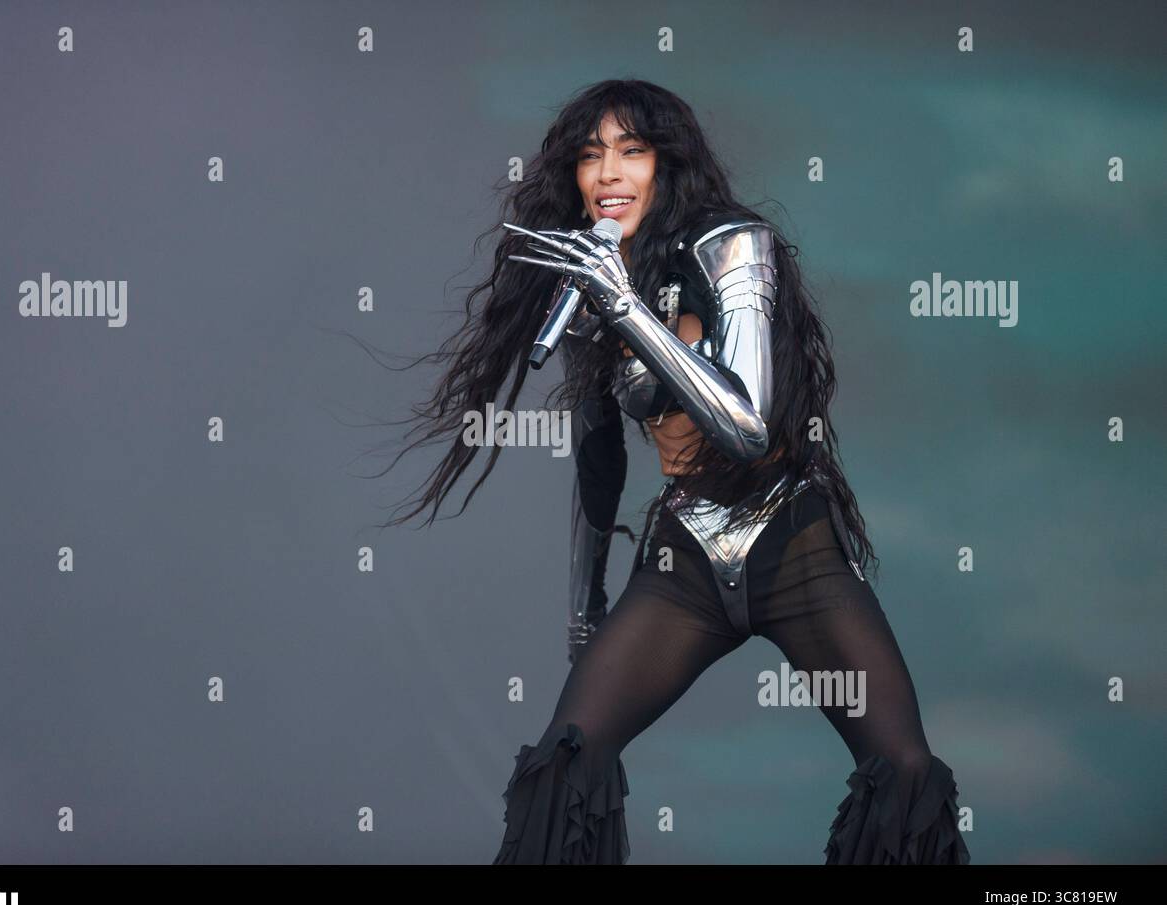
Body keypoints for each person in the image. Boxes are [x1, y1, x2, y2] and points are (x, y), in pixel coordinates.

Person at [375, 79, 970, 865]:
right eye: (591, 157)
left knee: (904, 771)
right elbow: (597, 457)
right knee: (567, 757)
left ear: (668, 164)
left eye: (631, 151)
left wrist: (626, 309)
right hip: (684, 559)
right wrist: (583, 609)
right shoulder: (592, 278)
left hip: (791, 542)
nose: (608, 174)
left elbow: (751, 427)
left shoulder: (734, 246)